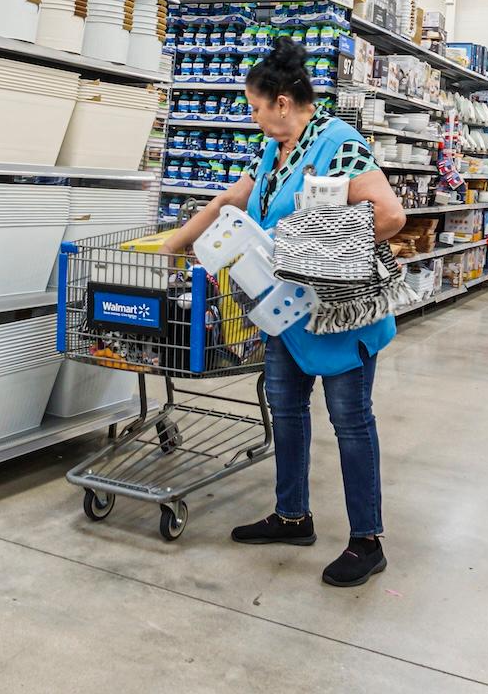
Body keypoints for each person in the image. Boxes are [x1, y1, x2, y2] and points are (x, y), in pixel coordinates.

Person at [159, 37, 408, 587]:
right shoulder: (273, 151)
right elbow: (228, 201)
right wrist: (173, 245)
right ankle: (292, 516)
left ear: (282, 102)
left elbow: (391, 216)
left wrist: (313, 248)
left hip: (340, 315)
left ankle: (367, 541)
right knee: (287, 411)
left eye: (254, 107)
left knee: (350, 421)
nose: (251, 117)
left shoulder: (339, 144)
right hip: (285, 315)